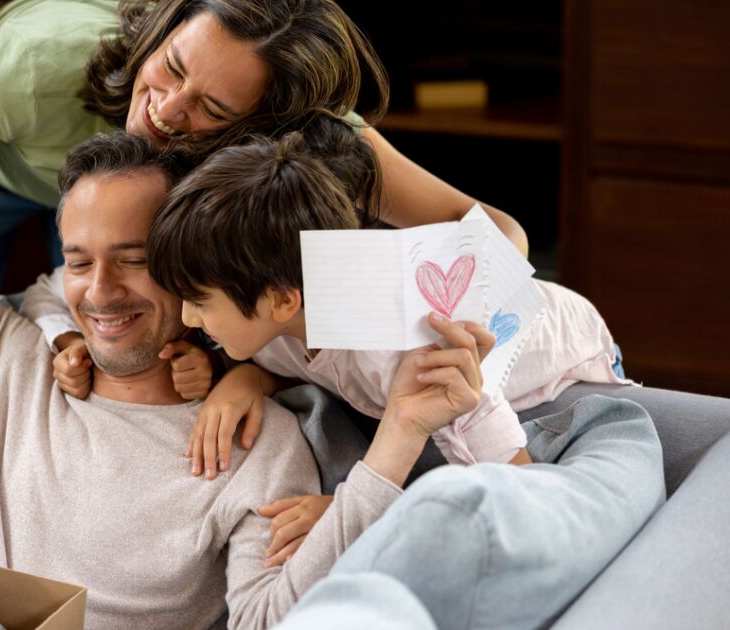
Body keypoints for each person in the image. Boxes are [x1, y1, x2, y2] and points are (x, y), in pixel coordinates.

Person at [0, 11, 496, 626]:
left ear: (197, 267)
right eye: (76, 260)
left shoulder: (256, 444)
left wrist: (400, 433)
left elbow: (269, 618)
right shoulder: (0, 358)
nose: (99, 293)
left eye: (133, 260)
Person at [0, 0, 529, 344]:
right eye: (171, 68)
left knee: (117, 358)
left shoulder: (312, 136)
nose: (165, 110)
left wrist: (450, 315)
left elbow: (493, 229)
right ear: (166, 29)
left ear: (266, 125)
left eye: (212, 107)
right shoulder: (28, 75)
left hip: (135, 211)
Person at [142, 125, 630, 564]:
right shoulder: (275, 323)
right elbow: (297, 362)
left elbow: (516, 490)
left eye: (199, 302)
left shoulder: (413, 356)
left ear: (282, 301)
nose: (186, 318)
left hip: (573, 350)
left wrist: (353, 512)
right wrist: (247, 379)